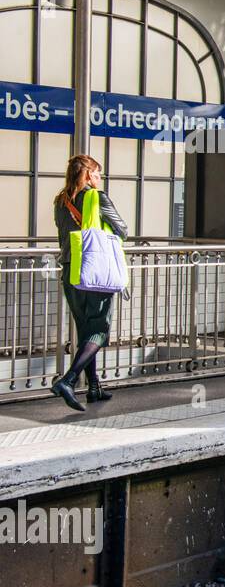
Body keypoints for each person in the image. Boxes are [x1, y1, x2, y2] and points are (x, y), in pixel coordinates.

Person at [51, 154, 128, 411]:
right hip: (95, 272)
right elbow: (123, 229)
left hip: (71, 271)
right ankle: (69, 380)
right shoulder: (98, 197)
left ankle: (94, 387)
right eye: (97, 173)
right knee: (99, 330)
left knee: (85, 329)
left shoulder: (60, 201)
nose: (99, 178)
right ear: (88, 175)